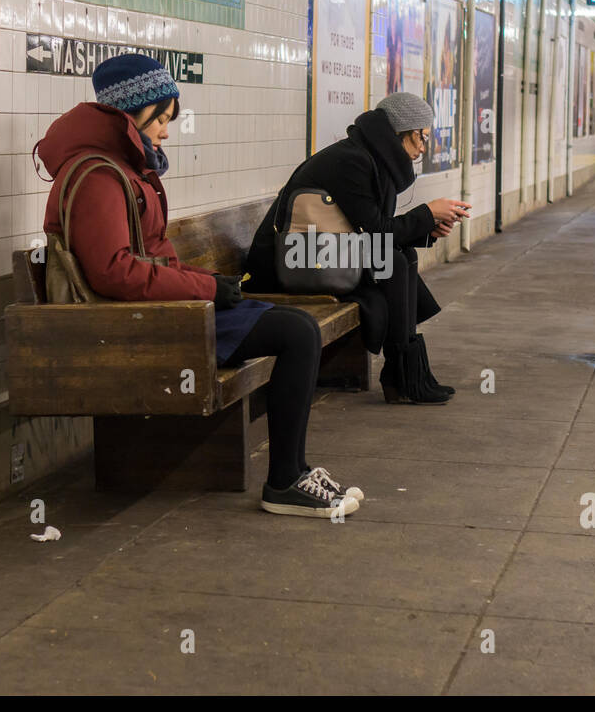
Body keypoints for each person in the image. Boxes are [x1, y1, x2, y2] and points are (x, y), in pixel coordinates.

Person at [34, 54, 359, 519]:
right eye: (161, 119)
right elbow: (115, 272)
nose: (166, 132)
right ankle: (285, 480)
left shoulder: (118, 166)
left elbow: (145, 259)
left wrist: (205, 284)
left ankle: (295, 469)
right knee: (297, 333)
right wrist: (205, 289)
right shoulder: (100, 176)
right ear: (134, 112)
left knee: (295, 327)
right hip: (139, 324)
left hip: (162, 310)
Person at [245, 92, 470, 405]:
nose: (423, 146)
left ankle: (405, 375)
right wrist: (426, 214)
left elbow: (373, 231)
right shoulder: (352, 161)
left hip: (318, 251)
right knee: (390, 260)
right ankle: (401, 376)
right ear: (400, 132)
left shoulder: (372, 157)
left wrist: (427, 229)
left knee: (400, 256)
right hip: (290, 260)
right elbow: (376, 233)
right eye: (422, 136)